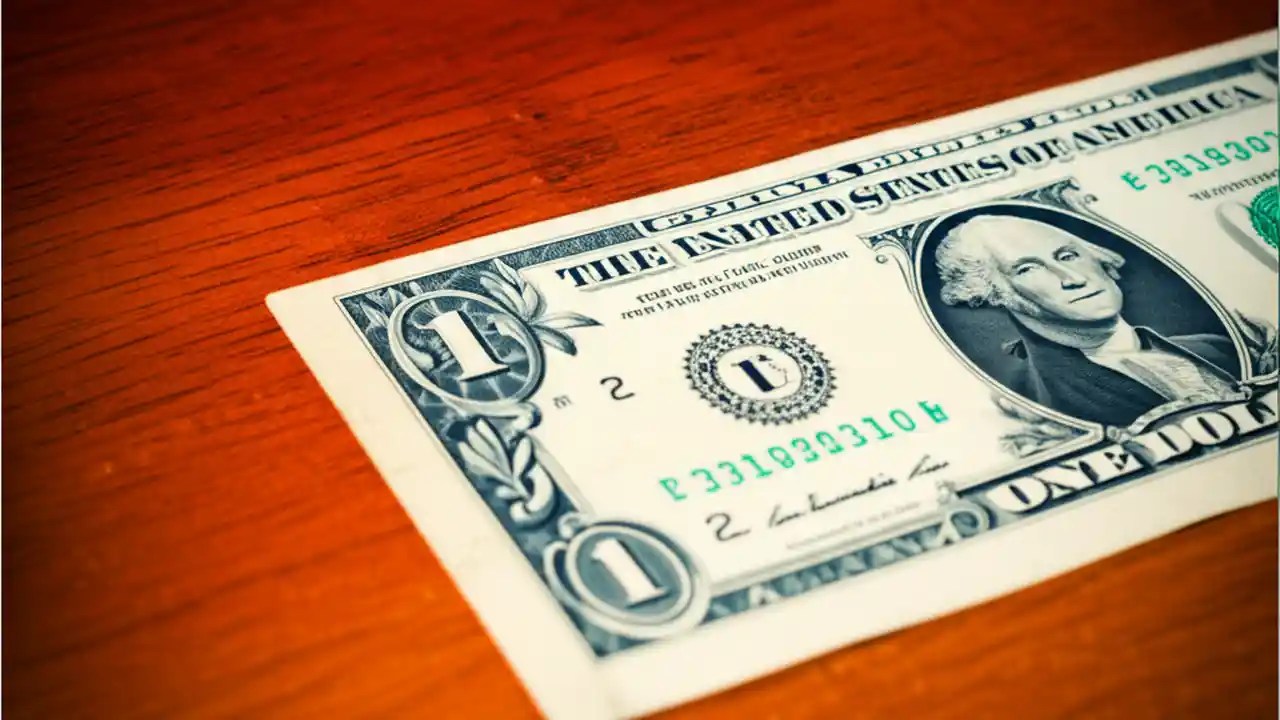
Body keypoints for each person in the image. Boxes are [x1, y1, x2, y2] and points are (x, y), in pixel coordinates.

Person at [934, 214, 1242, 427]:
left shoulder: (1216, 347)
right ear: (992, 292)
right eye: (1027, 269)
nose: (1073, 278)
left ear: (1098, 258)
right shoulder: (1035, 404)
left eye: (1067, 256)